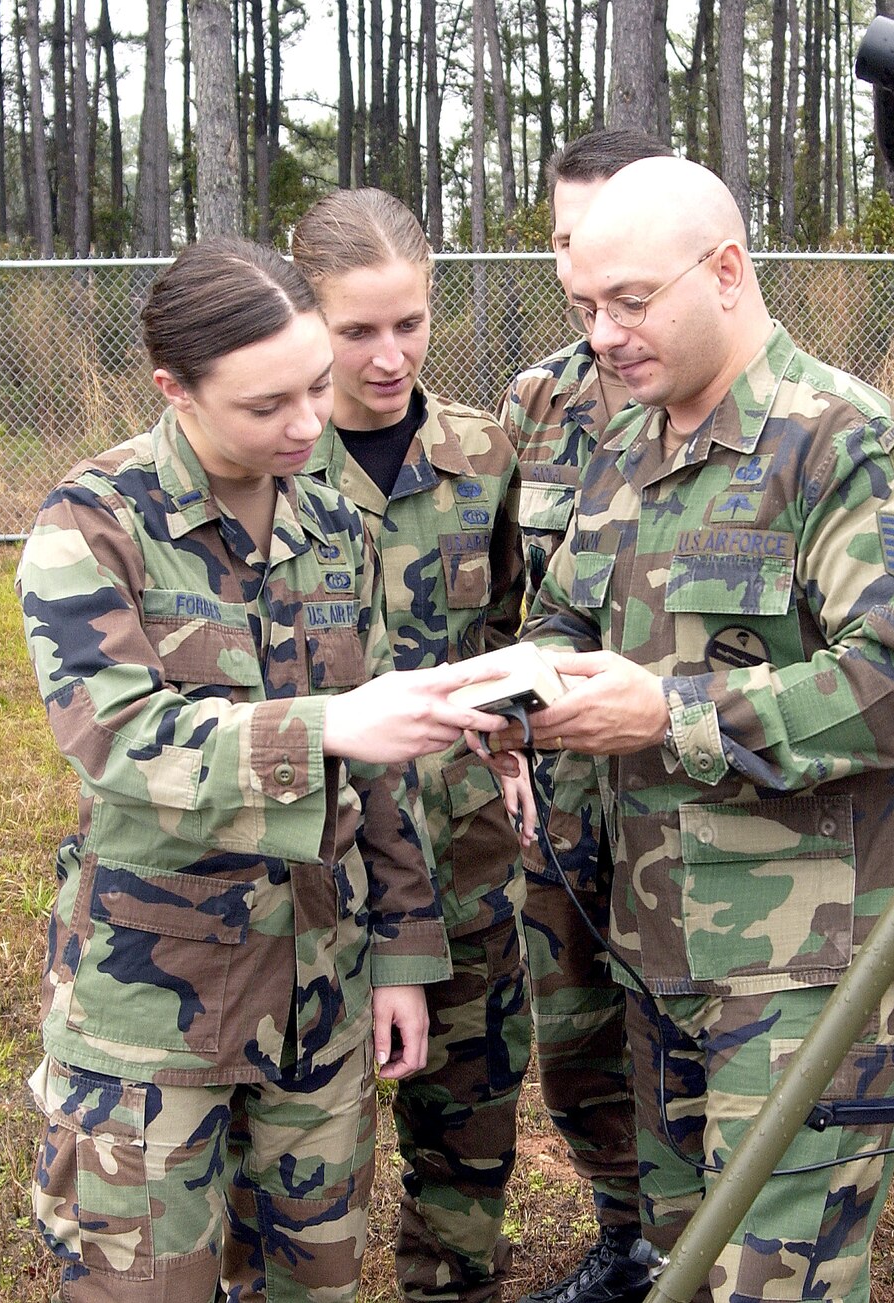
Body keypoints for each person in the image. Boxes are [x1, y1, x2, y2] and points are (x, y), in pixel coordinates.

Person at [494, 157, 894, 1303]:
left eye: (630, 302)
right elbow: (564, 609)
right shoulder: (627, 447)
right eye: (584, 307)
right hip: (656, 936)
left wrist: (667, 711)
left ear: (724, 272)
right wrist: (522, 694)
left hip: (803, 955)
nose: (601, 336)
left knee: (774, 1274)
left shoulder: (852, 448)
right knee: (681, 1254)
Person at [16, 236, 510, 1303]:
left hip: (319, 992)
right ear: (175, 390)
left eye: (316, 387)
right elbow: (118, 735)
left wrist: (402, 954)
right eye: (265, 404)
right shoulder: (94, 521)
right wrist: (327, 725)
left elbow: (382, 766)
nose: (306, 424)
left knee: (313, 1280)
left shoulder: (328, 520)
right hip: (154, 1005)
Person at [291, 189, 532, 1303]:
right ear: (305, 319)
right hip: (320, 864)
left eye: (410, 323)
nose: (389, 357)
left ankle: (454, 1282)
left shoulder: (482, 452)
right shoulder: (271, 460)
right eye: (356, 331)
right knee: (305, 1150)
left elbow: (512, 628)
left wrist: (513, 741)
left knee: (471, 1123)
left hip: (466, 853)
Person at [497, 128, 670, 1303]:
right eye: (564, 239)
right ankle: (626, 1234)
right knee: (572, 1040)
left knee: (684, 1036)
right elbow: (513, 597)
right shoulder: (538, 399)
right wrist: (508, 740)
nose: (581, 265)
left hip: (679, 781)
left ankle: (711, 1230)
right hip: (561, 796)